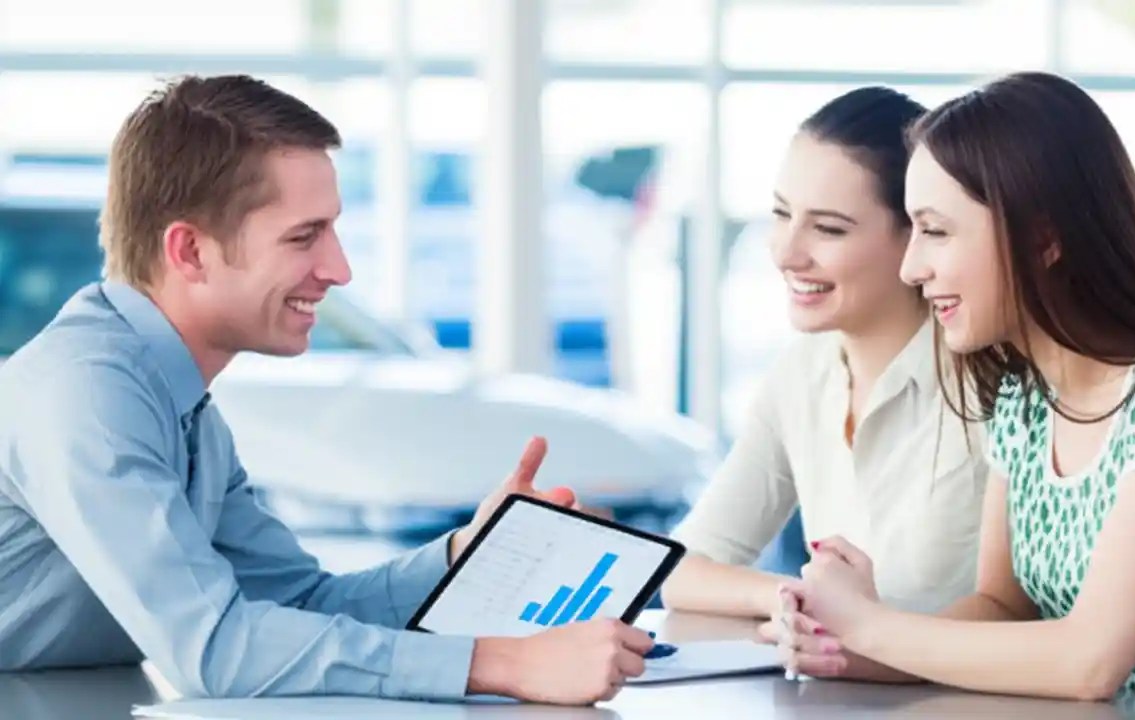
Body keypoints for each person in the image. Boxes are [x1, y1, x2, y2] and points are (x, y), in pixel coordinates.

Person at [0, 75, 652, 705]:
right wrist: (504, 664)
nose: (338, 269)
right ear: (191, 251)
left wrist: (465, 553)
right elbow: (216, 648)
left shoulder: (182, 408)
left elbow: (299, 606)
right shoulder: (86, 395)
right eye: (304, 236)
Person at [780, 71, 1135, 709]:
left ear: (1042, 239)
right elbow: (1001, 607)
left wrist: (870, 626)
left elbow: (1090, 662)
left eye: (935, 230)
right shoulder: (1022, 401)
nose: (911, 268)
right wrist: (848, 648)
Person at [660, 87, 988, 679]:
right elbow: (683, 569)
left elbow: (1014, 613)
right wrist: (797, 601)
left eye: (829, 229)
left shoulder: (987, 386)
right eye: (781, 214)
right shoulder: (802, 371)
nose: (786, 253)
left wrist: (858, 631)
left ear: (916, 235)